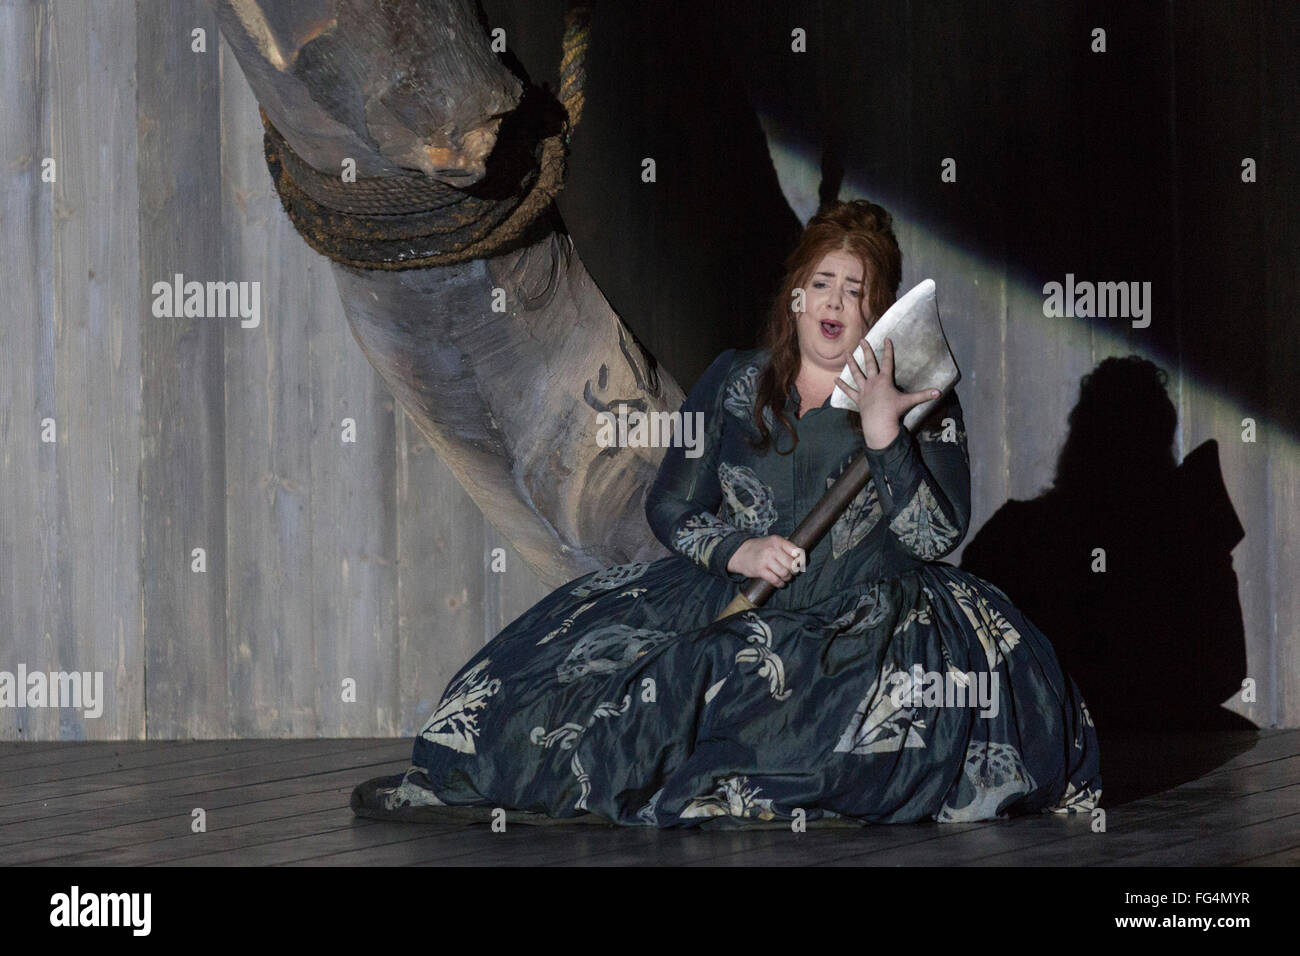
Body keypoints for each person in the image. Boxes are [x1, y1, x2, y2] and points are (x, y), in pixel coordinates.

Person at [351, 199, 1101, 827]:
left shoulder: (920, 401)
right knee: (564, 680)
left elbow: (934, 537)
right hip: (732, 593)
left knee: (748, 694)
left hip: (868, 621)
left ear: (881, 312)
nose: (837, 303)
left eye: (858, 291)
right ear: (797, 295)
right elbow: (671, 503)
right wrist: (737, 551)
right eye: (824, 283)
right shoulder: (735, 381)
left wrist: (883, 435)